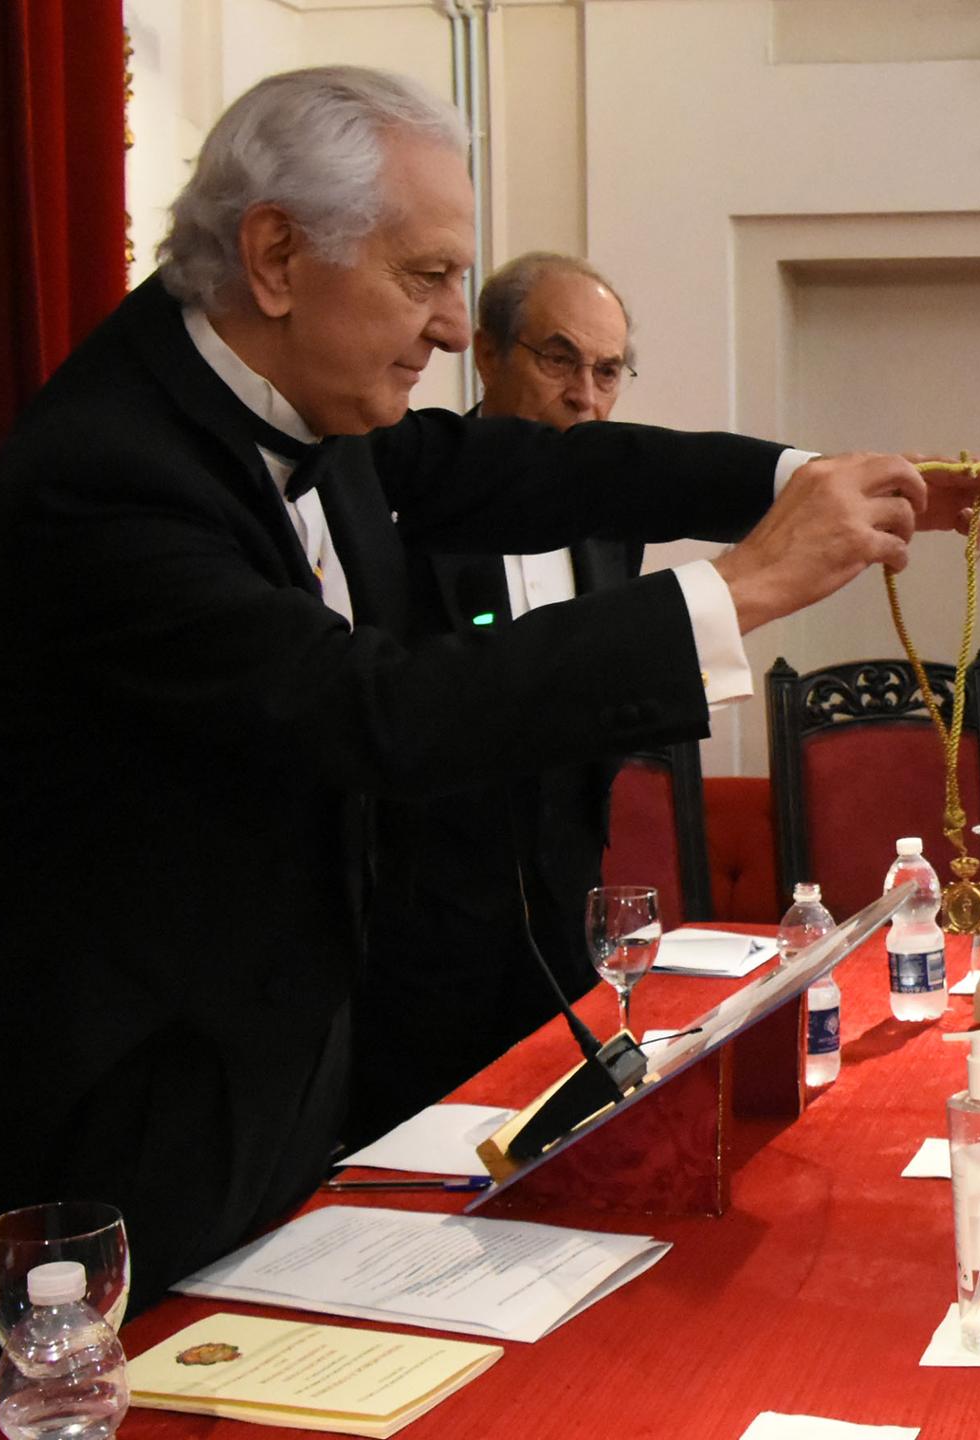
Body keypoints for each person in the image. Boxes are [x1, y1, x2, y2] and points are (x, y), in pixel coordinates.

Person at [0, 66, 980, 1436]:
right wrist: (744, 589)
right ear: (278, 255)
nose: (443, 324)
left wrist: (796, 476)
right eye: (425, 274)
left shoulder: (321, 407)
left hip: (273, 1063)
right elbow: (377, 715)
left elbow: (539, 471)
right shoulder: (105, 471)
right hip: (104, 1109)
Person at [352, 253, 648, 1142]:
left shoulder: (610, 514)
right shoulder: (406, 499)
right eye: (560, 361)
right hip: (420, 930)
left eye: (607, 372)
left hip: (564, 915)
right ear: (485, 354)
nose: (586, 396)